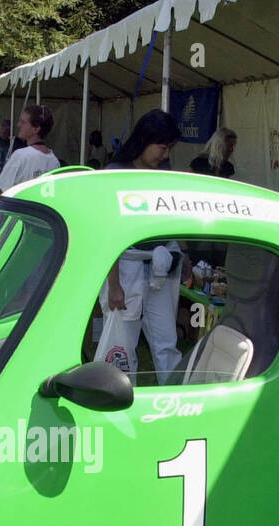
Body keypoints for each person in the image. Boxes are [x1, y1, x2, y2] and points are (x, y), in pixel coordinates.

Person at [98, 109, 186, 384]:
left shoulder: (164, 173)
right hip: (127, 266)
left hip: (161, 264)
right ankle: (119, 396)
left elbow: (170, 220)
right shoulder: (116, 174)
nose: (166, 155)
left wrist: (181, 251)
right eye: (162, 147)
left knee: (165, 339)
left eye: (169, 148)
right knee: (122, 342)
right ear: (146, 140)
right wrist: (113, 284)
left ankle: (175, 399)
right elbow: (106, 232)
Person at [0, 105, 59, 202]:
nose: (18, 125)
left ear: (36, 129)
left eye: (23, 122)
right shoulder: (54, 161)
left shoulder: (21, 156)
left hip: (20, 213)